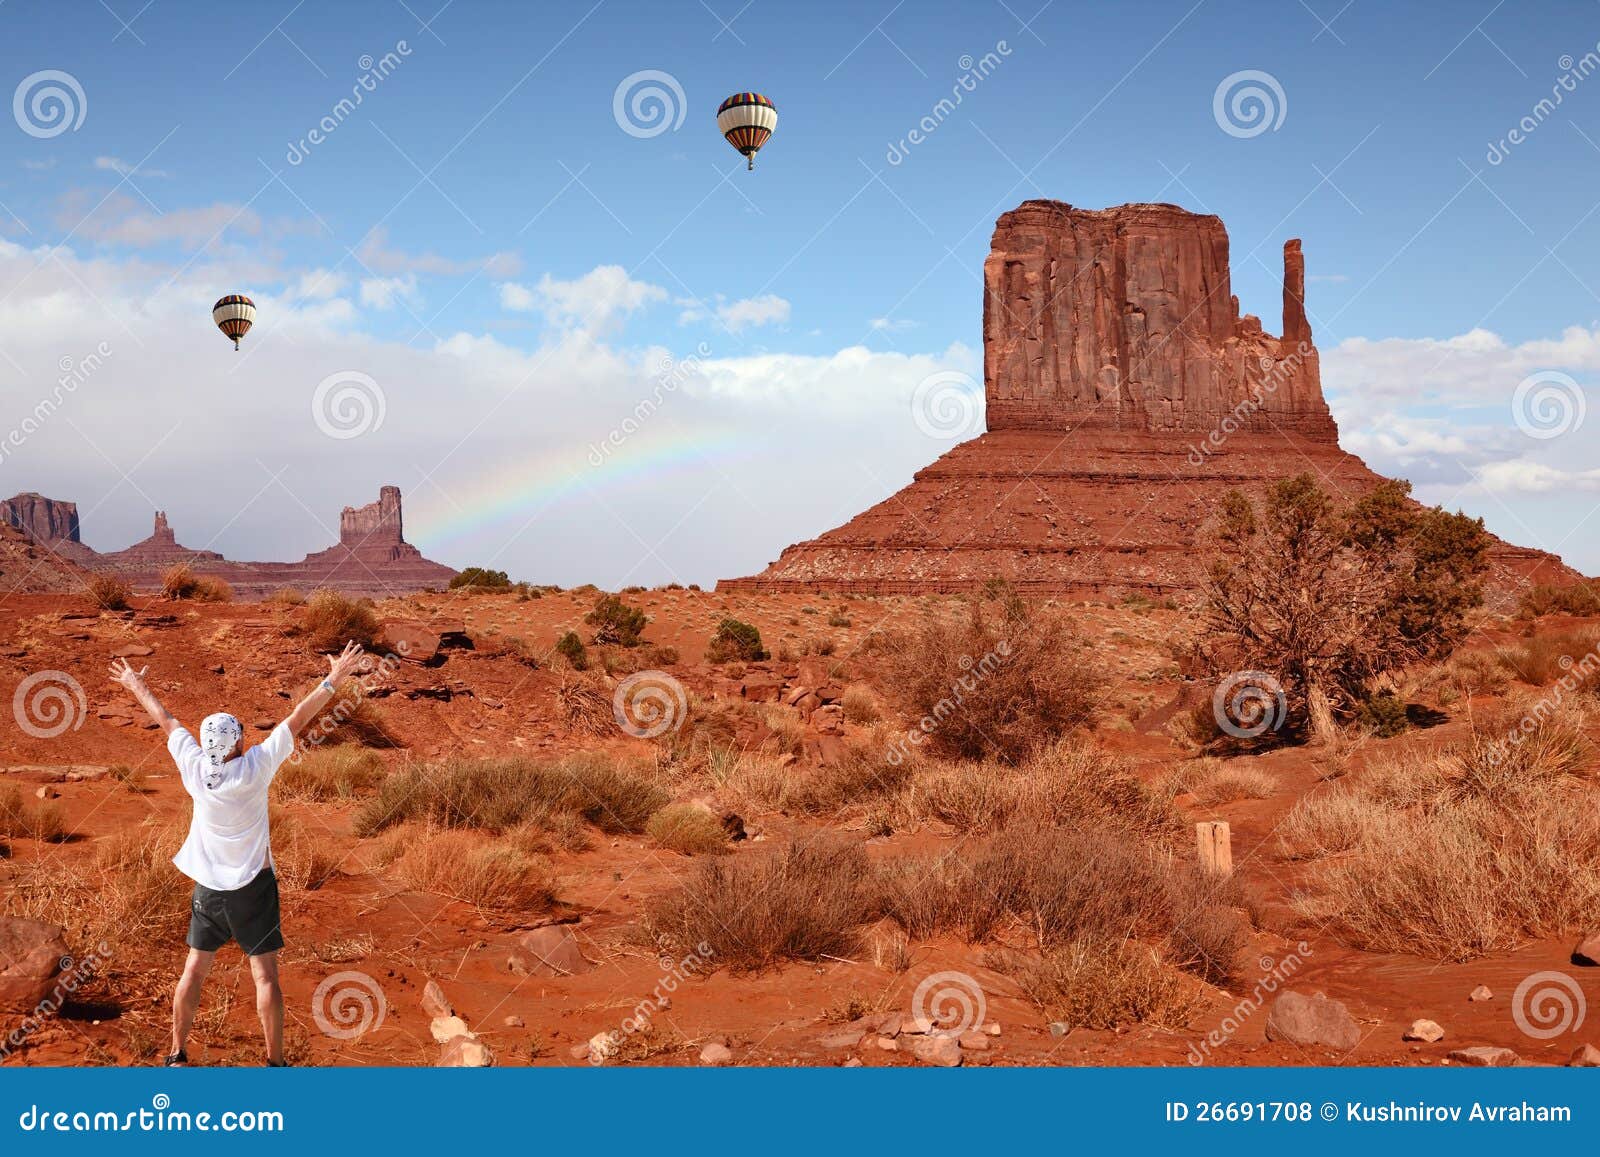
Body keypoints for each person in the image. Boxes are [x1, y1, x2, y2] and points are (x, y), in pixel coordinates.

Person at [108, 640, 368, 1067]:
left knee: (193, 969)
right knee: (264, 976)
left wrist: (136, 685)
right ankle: (275, 1064)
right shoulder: (256, 767)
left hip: (208, 889)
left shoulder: (194, 768)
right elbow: (298, 719)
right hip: (254, 887)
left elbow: (167, 720)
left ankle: (177, 1055)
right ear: (239, 742)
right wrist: (334, 679)